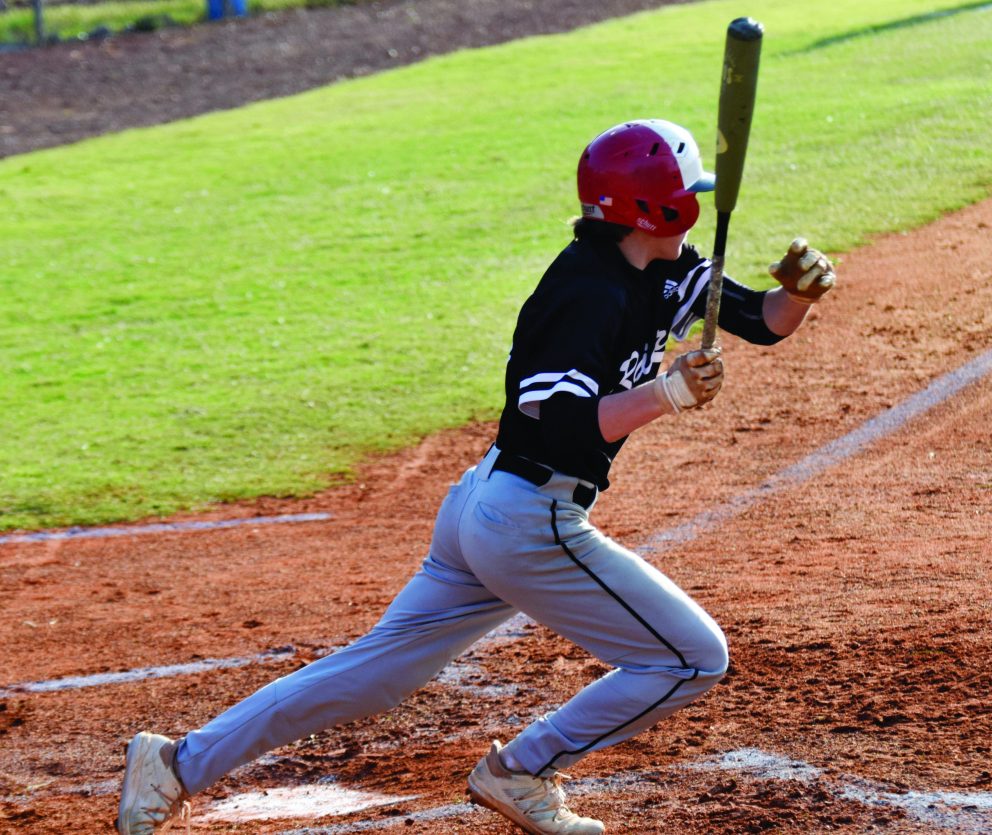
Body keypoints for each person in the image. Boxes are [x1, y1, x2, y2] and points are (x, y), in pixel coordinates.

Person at [116, 119, 836, 835]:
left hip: (487, 509)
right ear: (658, 207)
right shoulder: (585, 292)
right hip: (528, 522)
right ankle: (523, 769)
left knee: (374, 673)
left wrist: (798, 292)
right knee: (692, 656)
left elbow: (762, 319)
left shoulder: (666, 267)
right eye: (688, 194)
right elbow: (559, 424)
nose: (698, 204)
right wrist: (667, 395)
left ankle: (176, 763)